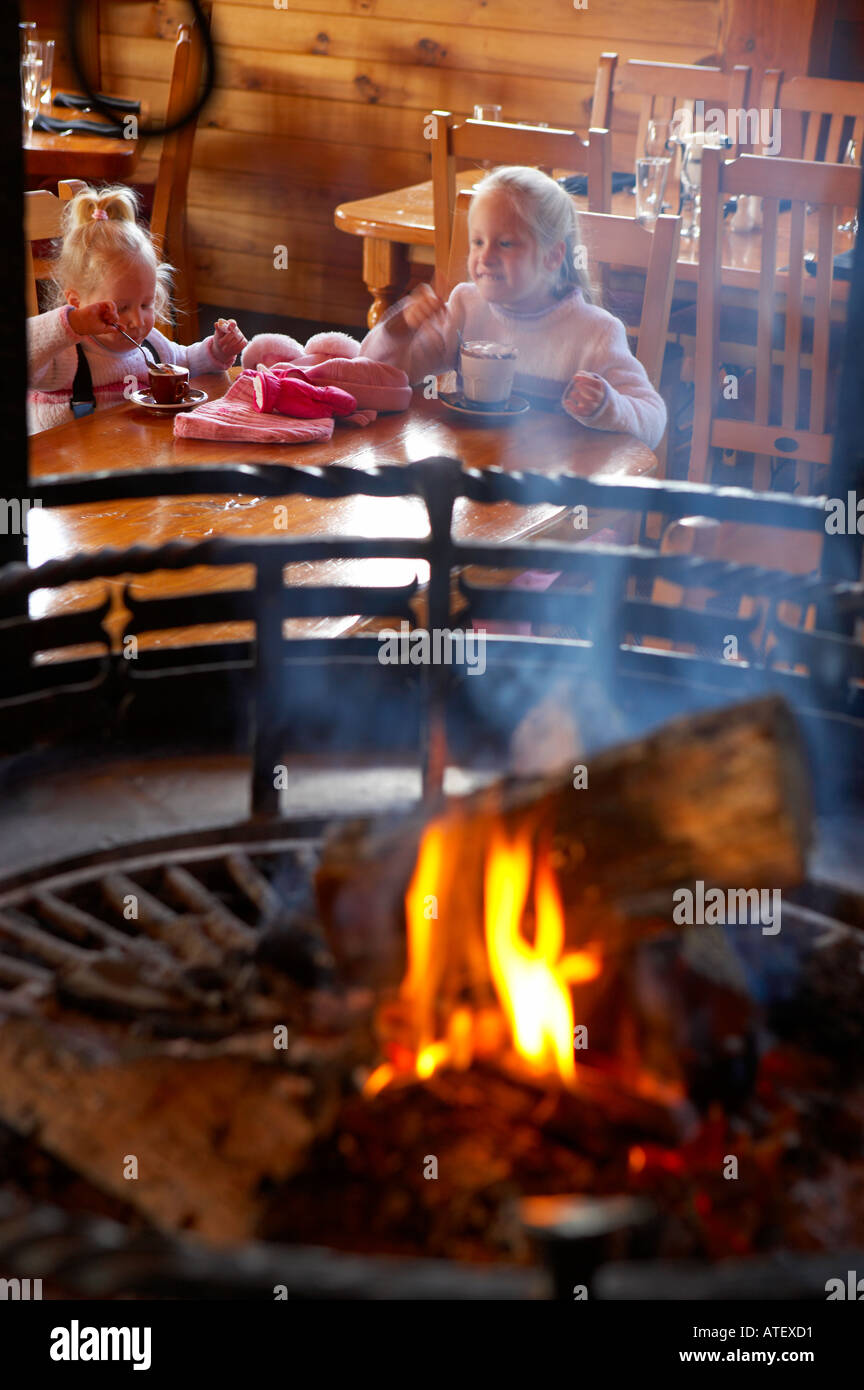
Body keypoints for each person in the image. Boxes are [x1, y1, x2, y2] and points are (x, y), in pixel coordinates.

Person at [360, 165, 666, 449]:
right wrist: (399, 331)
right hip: (472, 471)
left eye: (505, 243)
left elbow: (653, 419)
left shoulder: (595, 332)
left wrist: (609, 406)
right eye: (478, 242)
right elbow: (377, 377)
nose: (485, 256)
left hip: (555, 492)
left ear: (552, 257)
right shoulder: (464, 306)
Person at [27, 185, 246, 434]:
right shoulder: (64, 358)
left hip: (130, 457)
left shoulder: (151, 346)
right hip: (68, 467)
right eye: (121, 307)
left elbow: (185, 361)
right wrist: (72, 324)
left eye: (146, 304)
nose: (137, 320)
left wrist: (217, 350)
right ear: (77, 302)